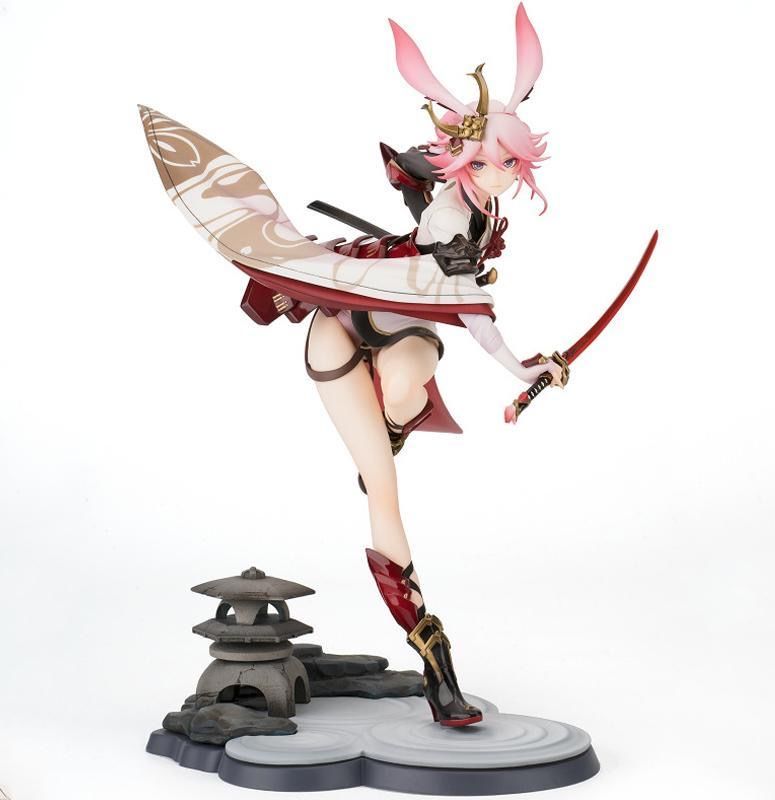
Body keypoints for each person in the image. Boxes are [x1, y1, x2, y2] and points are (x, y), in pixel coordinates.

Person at [138, 3, 561, 728]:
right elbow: (478, 318)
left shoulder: (482, 208)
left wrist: (528, 368)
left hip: (405, 332)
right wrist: (525, 370)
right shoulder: (449, 221)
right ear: (469, 158)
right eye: (499, 163)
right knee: (384, 495)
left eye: (514, 164)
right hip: (341, 326)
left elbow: (468, 313)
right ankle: (437, 666)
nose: (508, 174)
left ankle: (390, 427)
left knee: (402, 389)